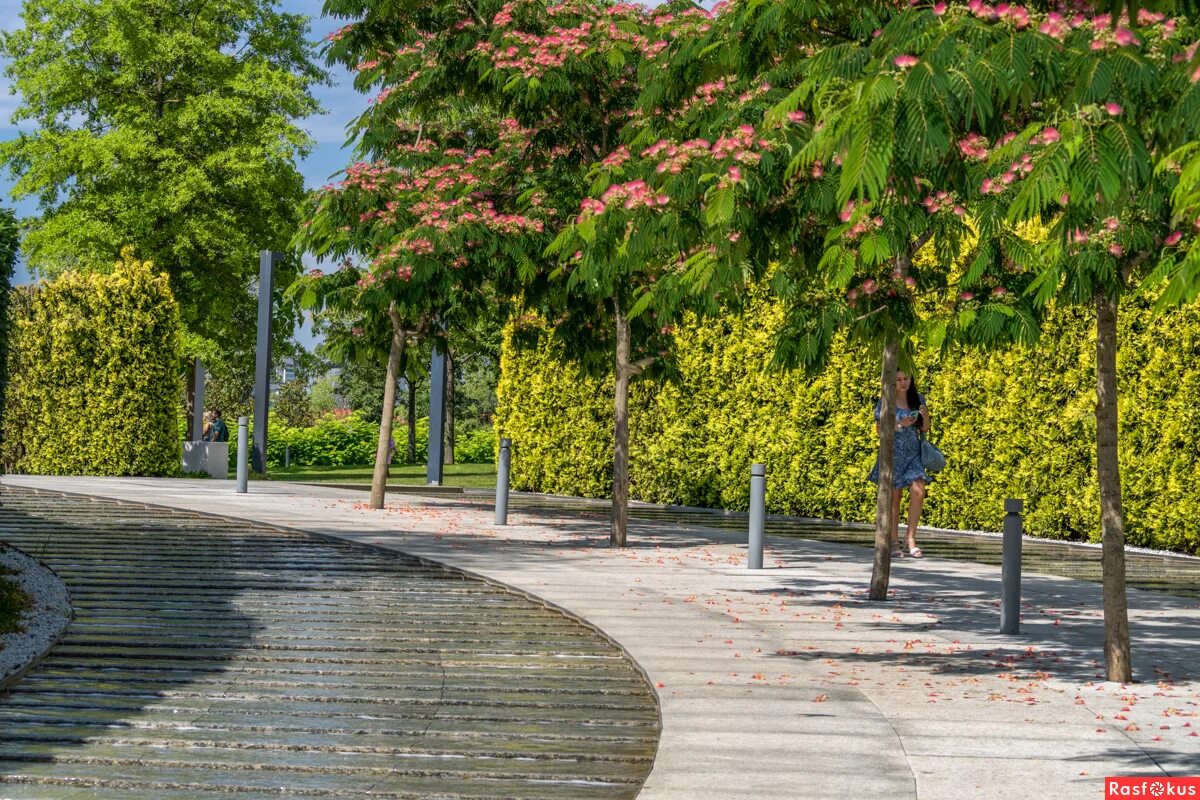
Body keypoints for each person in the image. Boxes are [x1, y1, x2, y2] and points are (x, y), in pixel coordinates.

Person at [867, 369, 930, 559]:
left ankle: (910, 538)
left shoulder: (917, 398)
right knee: (895, 499)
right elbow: (880, 431)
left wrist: (924, 415)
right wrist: (900, 424)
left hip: (913, 454)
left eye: (906, 378)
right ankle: (893, 541)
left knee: (919, 490)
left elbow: (925, 428)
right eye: (898, 379)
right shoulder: (885, 402)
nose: (903, 382)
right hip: (892, 454)